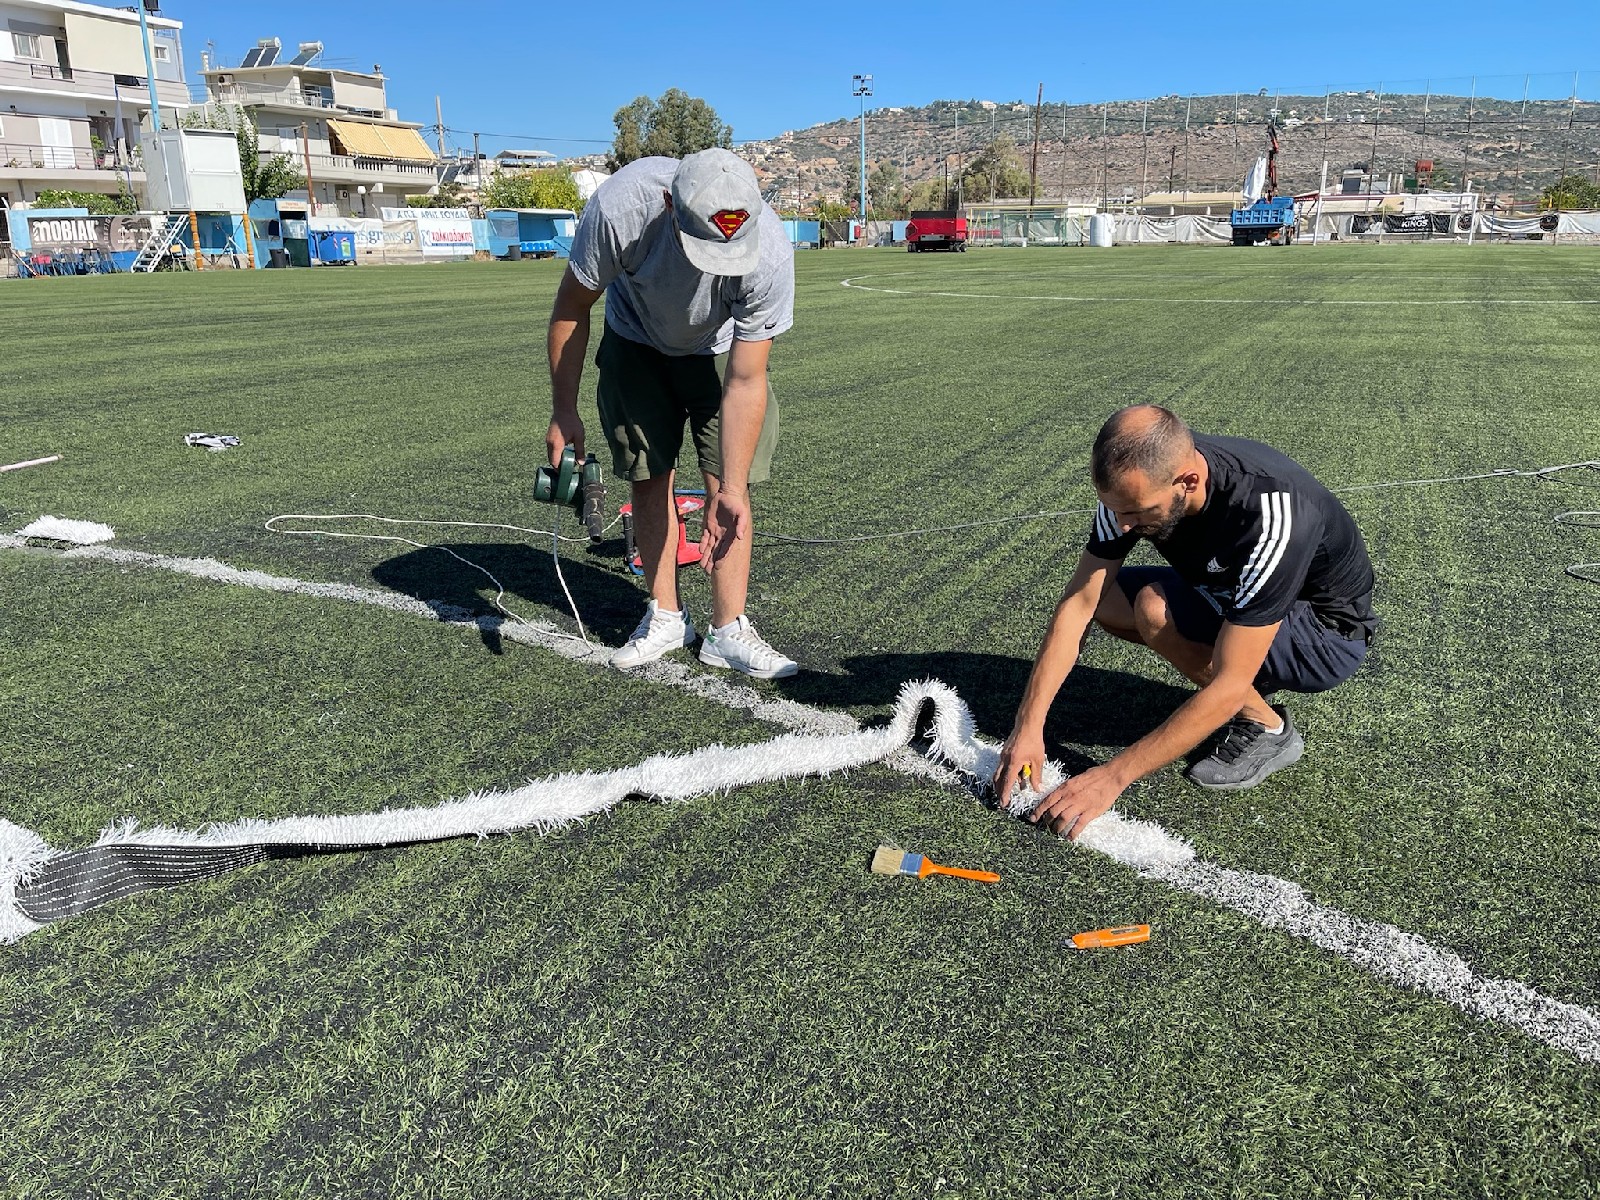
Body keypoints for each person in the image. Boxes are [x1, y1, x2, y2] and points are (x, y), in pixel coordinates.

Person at [992, 405, 1378, 837]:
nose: (1122, 524)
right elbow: (1079, 603)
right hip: (1233, 588)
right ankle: (1244, 694)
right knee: (1107, 601)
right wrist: (1028, 724)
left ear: (1188, 482)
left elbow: (1229, 683)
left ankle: (1269, 727)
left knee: (1155, 612)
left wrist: (1111, 778)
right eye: (1115, 509)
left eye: (1136, 513)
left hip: (1323, 633)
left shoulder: (1270, 514)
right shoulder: (1135, 487)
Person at [546, 147, 797, 679]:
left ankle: (728, 631)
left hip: (722, 351)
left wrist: (728, 488)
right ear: (667, 203)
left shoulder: (770, 250)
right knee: (648, 472)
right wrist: (563, 410)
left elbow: (747, 378)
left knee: (732, 485)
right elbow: (572, 306)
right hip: (635, 339)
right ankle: (664, 617)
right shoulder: (620, 209)